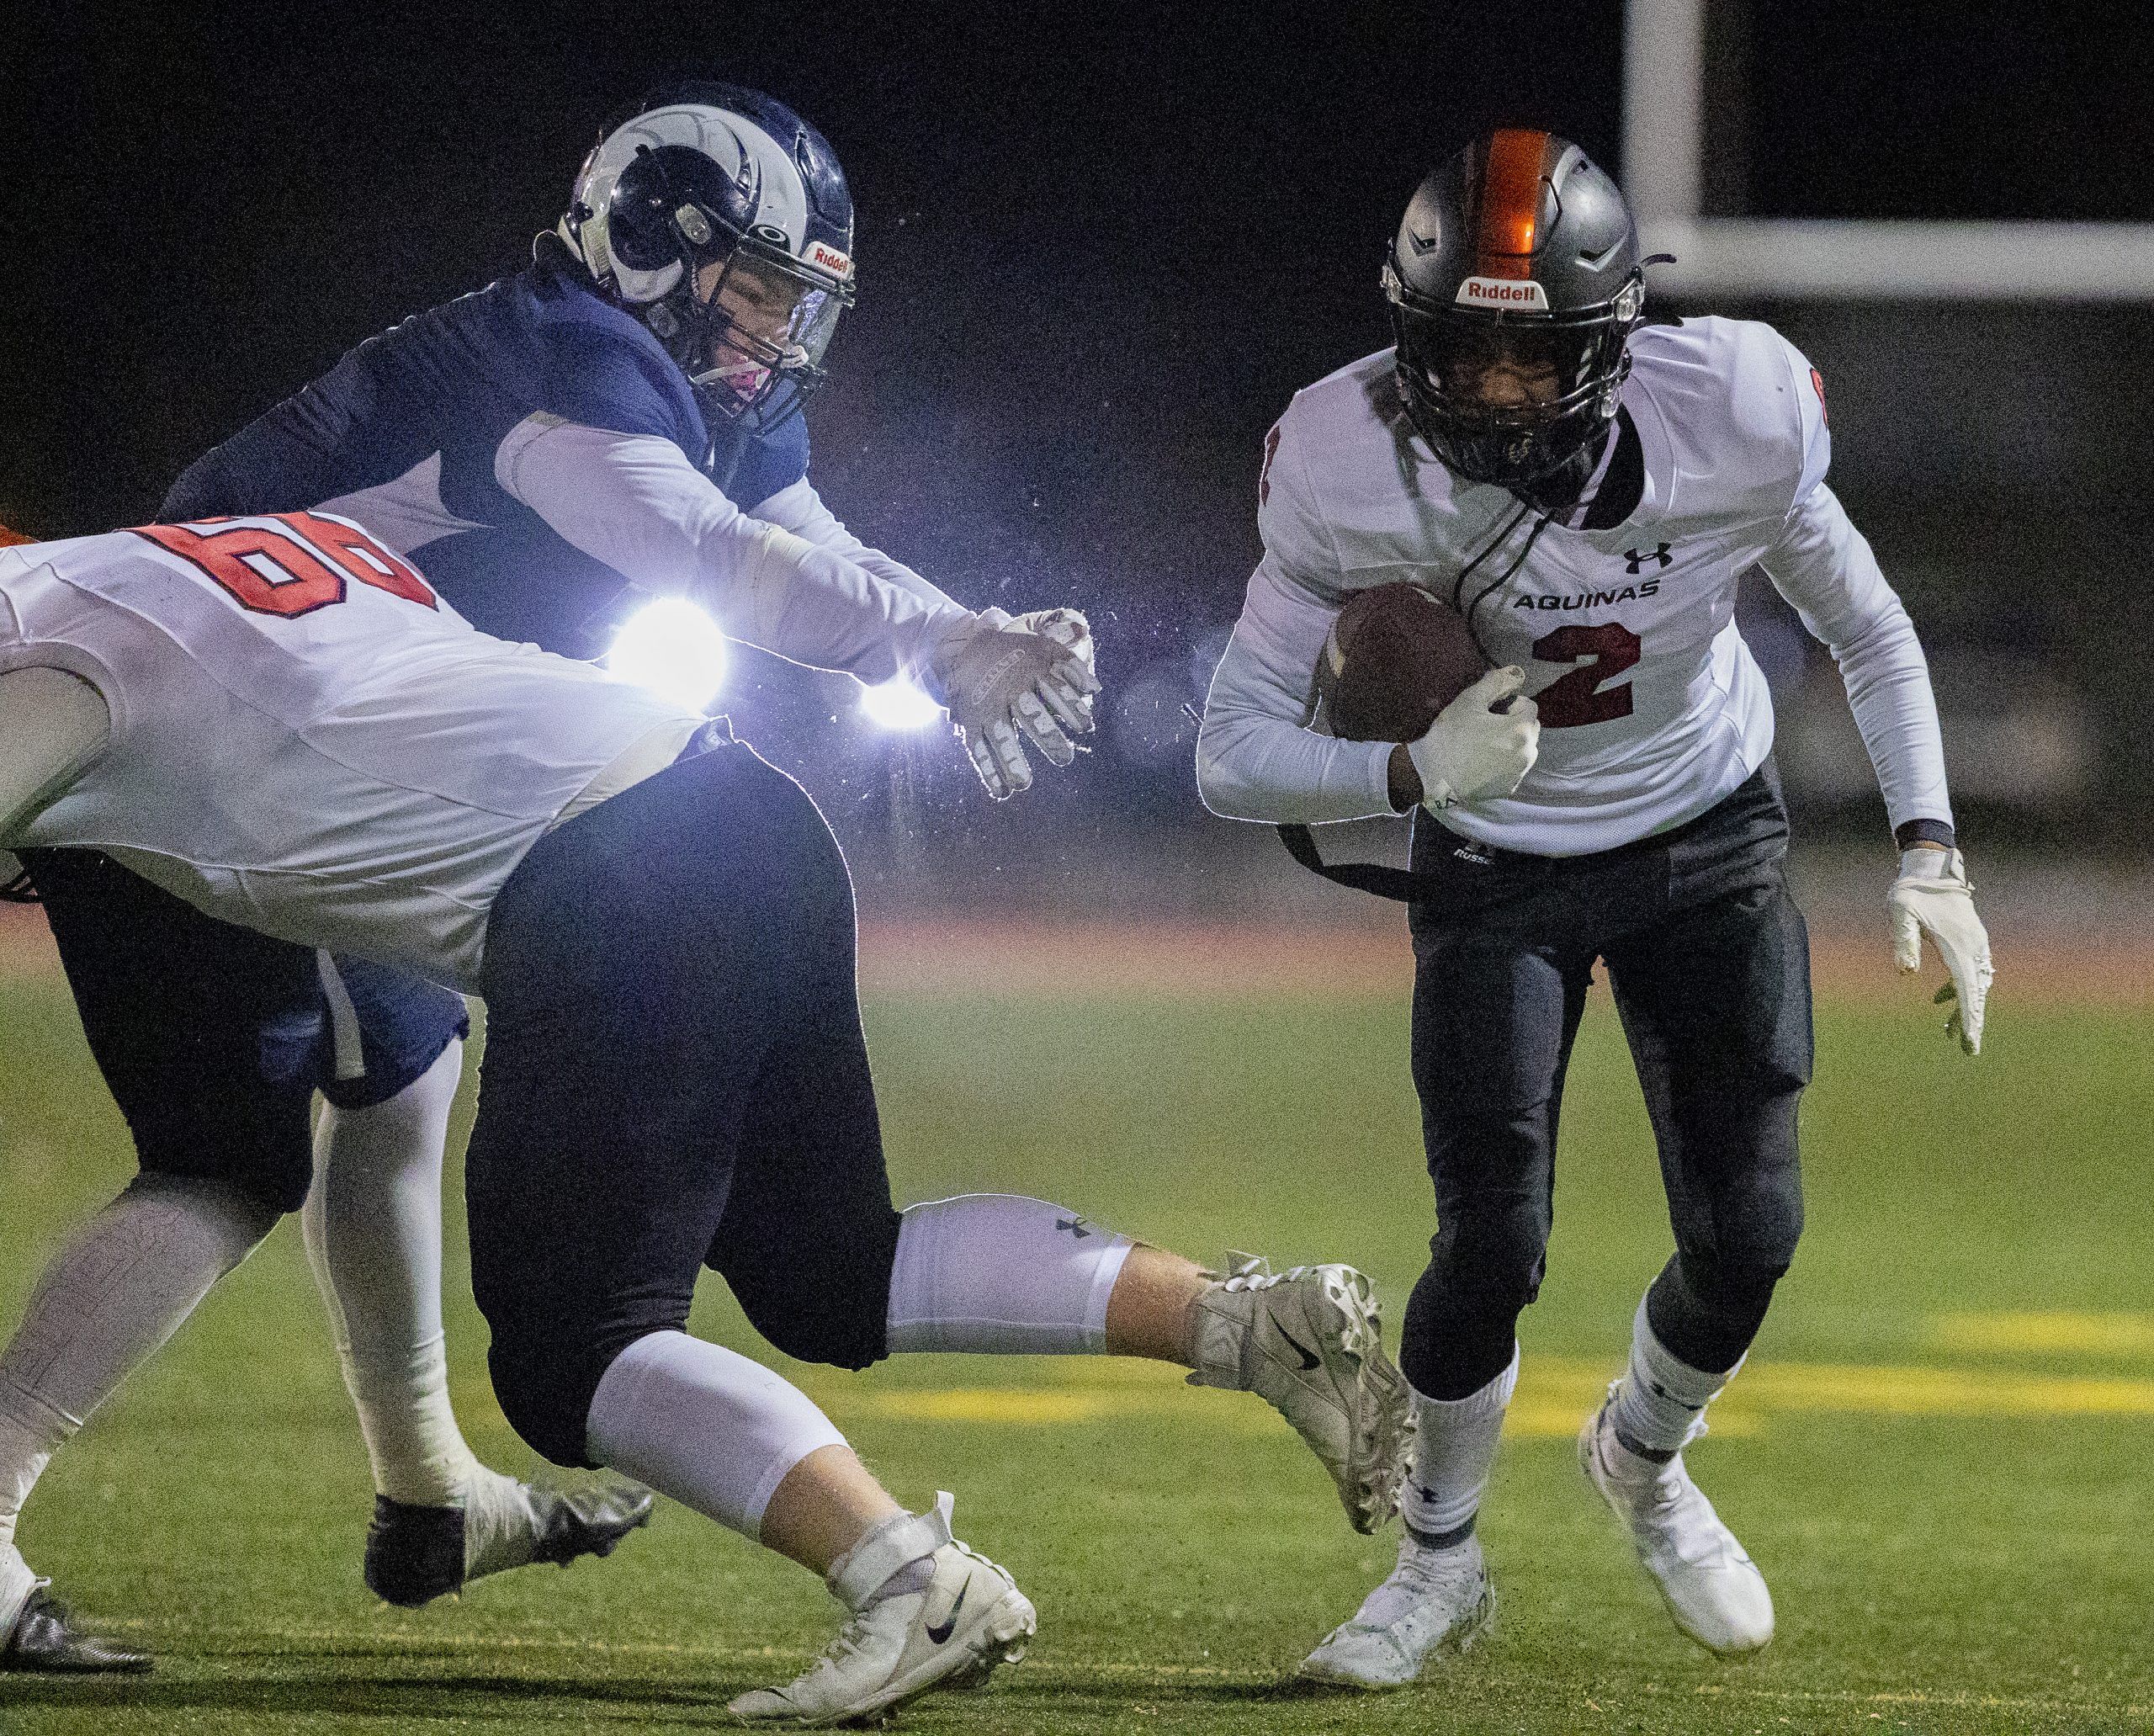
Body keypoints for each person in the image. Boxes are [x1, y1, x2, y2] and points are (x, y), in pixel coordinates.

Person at [0, 81, 1116, 1666]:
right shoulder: (558, 354)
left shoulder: (658, 363)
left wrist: (970, 636)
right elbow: (711, 558)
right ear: (650, 250)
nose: (774, 339)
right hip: (212, 735)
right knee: (232, 1155)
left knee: (397, 1095)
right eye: (753, 291)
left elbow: (806, 531)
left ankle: (428, 1487)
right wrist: (940, 643)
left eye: (798, 304)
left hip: (296, 722)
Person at [0, 507, 1410, 1720]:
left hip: (611, 895)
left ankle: (909, 1584)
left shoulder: (44, 656)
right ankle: (1250, 1324)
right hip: (738, 814)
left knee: (569, 1357)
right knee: (826, 1266)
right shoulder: (206, 555)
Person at [1197, 127, 1993, 1687]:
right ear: (1408, 340)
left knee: (1753, 1230)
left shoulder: (1739, 416)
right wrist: (1418, 770)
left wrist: (1931, 851)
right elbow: (1227, 755)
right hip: (1497, 864)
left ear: (1619, 338)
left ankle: (1641, 1454)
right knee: (1490, 1245)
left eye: (1533, 358)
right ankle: (1439, 1568)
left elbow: (1872, 631)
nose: (1498, 396)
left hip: (1706, 829)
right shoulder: (1345, 454)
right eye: (1464, 358)